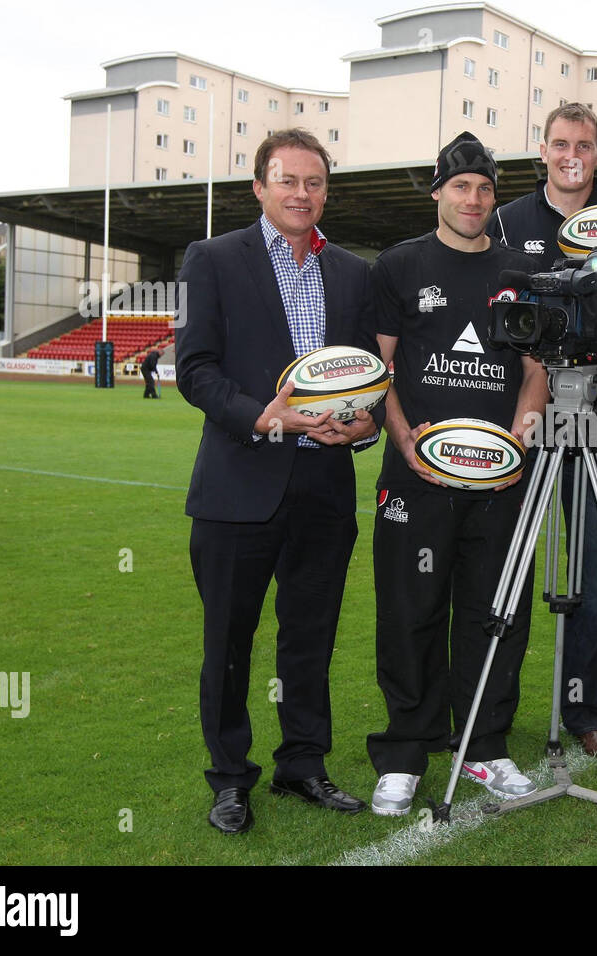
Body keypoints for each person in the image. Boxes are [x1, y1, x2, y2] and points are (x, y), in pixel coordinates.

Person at [176, 128, 383, 835]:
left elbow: (367, 383)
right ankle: (230, 778)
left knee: (310, 636)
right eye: (287, 181)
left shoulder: (353, 273)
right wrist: (264, 419)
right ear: (259, 187)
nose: (302, 194)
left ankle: (304, 764)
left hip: (324, 489)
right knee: (228, 642)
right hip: (239, 487)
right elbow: (195, 369)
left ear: (327, 191)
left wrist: (367, 423)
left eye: (314, 183)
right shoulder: (213, 259)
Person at [366, 132, 550, 817]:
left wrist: (519, 442)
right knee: (411, 610)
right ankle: (405, 753)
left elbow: (535, 372)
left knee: (493, 612)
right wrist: (405, 437)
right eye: (460, 187)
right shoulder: (399, 266)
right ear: (437, 192)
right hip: (416, 477)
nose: (473, 199)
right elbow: (380, 368)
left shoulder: (521, 274)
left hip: (500, 482)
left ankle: (484, 746)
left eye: (484, 188)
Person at [486, 103, 597, 761]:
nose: (572, 153)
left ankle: (584, 711)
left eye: (585, 144)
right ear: (542, 150)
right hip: (521, 420)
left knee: (596, 580)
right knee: (506, 569)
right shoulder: (506, 222)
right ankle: (490, 713)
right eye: (560, 143)